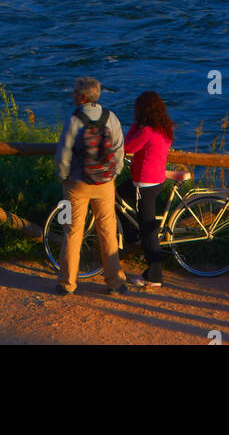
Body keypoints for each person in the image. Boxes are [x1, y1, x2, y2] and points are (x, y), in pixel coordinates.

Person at [54, 76, 127, 296]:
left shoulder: (75, 119)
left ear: (83, 97)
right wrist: (113, 173)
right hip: (105, 182)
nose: (73, 95)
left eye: (75, 92)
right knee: (107, 230)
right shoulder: (110, 117)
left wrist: (64, 176)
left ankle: (68, 283)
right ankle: (115, 282)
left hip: (78, 183)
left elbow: (63, 154)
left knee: (73, 231)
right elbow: (119, 150)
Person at [123, 90, 174, 289]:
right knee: (118, 196)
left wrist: (135, 124)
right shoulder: (164, 128)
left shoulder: (146, 130)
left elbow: (128, 147)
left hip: (143, 183)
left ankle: (155, 277)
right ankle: (131, 234)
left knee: (149, 230)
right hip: (156, 180)